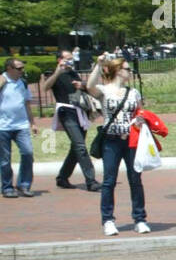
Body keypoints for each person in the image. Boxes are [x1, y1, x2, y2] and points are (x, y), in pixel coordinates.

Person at [86, 55, 148, 234]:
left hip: (130, 139)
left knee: (135, 179)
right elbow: (89, 86)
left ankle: (140, 218)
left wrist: (140, 120)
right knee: (109, 181)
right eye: (127, 69)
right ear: (118, 70)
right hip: (111, 140)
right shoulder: (104, 91)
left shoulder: (133, 92)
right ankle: (108, 220)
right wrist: (98, 65)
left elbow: (140, 111)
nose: (130, 72)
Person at [41, 51, 101, 192]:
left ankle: (62, 177)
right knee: (80, 146)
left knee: (76, 147)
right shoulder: (53, 73)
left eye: (71, 59)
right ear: (59, 60)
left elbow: (85, 88)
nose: (70, 61)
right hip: (66, 112)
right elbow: (45, 87)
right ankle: (91, 181)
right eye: (68, 59)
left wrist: (82, 85)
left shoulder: (73, 73)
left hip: (80, 111)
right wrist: (58, 71)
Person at [0, 56, 39, 198]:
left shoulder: (22, 82)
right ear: (9, 69)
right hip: (3, 126)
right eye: (19, 68)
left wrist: (33, 123)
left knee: (28, 153)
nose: (22, 71)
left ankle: (24, 185)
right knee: (5, 159)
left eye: (23, 68)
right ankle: (7, 187)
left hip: (21, 125)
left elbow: (27, 104)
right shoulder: (2, 80)